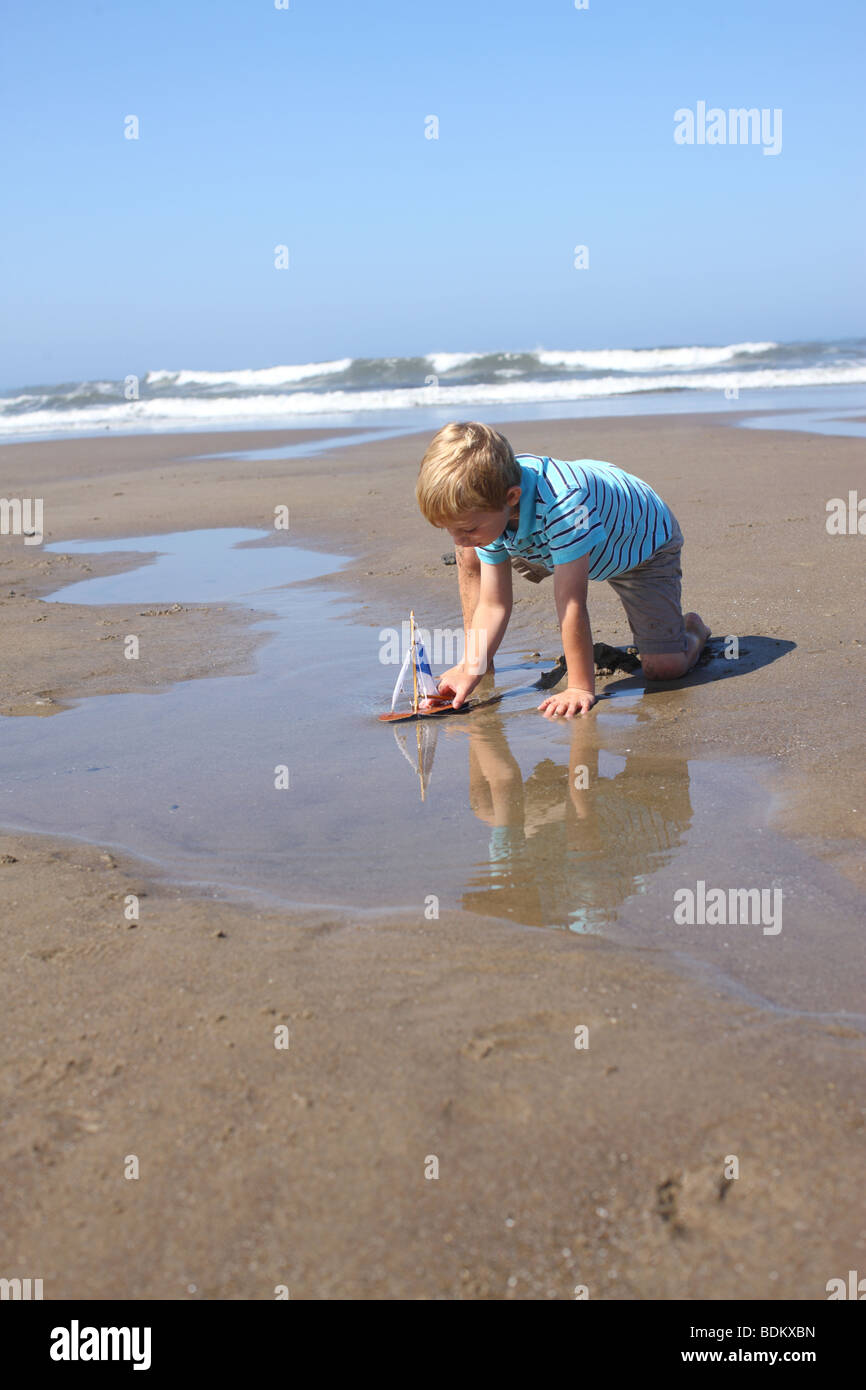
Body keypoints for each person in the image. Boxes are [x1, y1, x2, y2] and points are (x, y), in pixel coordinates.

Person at [415, 421, 710, 717]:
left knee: (665, 668)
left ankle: (692, 629)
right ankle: (477, 661)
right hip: (546, 539)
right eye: (448, 530)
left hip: (638, 545)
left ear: (512, 497)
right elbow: (493, 604)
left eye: (466, 528)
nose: (457, 538)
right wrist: (472, 666)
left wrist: (580, 687)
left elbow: (571, 603)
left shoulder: (565, 504)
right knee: (472, 551)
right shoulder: (485, 505)